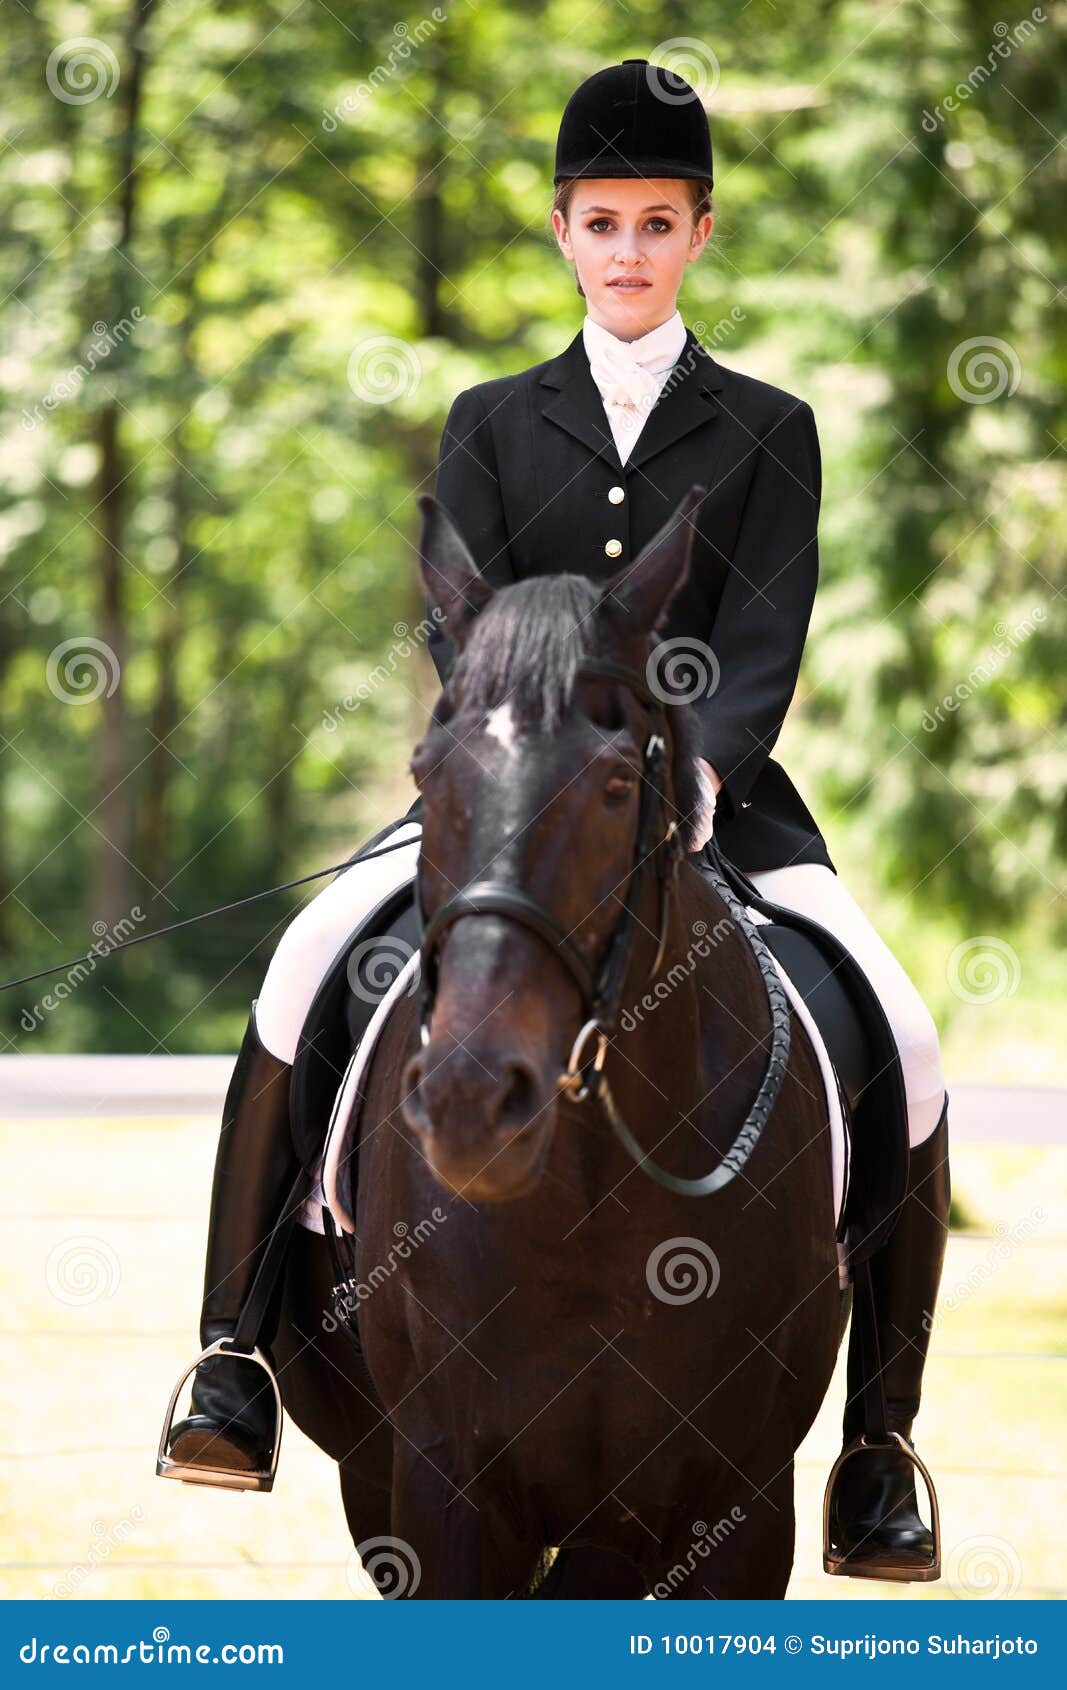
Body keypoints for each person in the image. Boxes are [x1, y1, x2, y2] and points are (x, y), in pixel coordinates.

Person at [158, 58, 949, 1582]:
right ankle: (232, 1356)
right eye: (605, 222)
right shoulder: (490, 418)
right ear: (564, 233)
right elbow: (464, 641)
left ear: (702, 235)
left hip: (712, 796)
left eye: (661, 222)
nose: (632, 250)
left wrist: (701, 764)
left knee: (903, 1025)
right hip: (509, 799)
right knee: (307, 958)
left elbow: (765, 635)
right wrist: (507, 771)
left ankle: (875, 1448)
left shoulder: (770, 425)